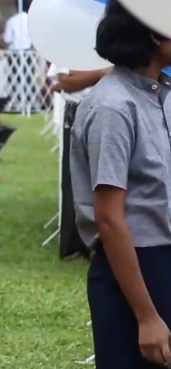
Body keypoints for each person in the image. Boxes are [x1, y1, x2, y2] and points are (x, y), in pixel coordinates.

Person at [69, 0, 171, 369]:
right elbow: (110, 221)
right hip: (136, 268)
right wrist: (147, 317)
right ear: (153, 34)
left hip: (162, 262)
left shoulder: (159, 95)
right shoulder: (113, 108)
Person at [50, 62, 110, 261]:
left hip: (112, 111)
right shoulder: (69, 43)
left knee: (109, 180)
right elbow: (67, 82)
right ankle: (77, 246)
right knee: (77, 181)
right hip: (78, 112)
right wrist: (103, 73)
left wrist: (88, 75)